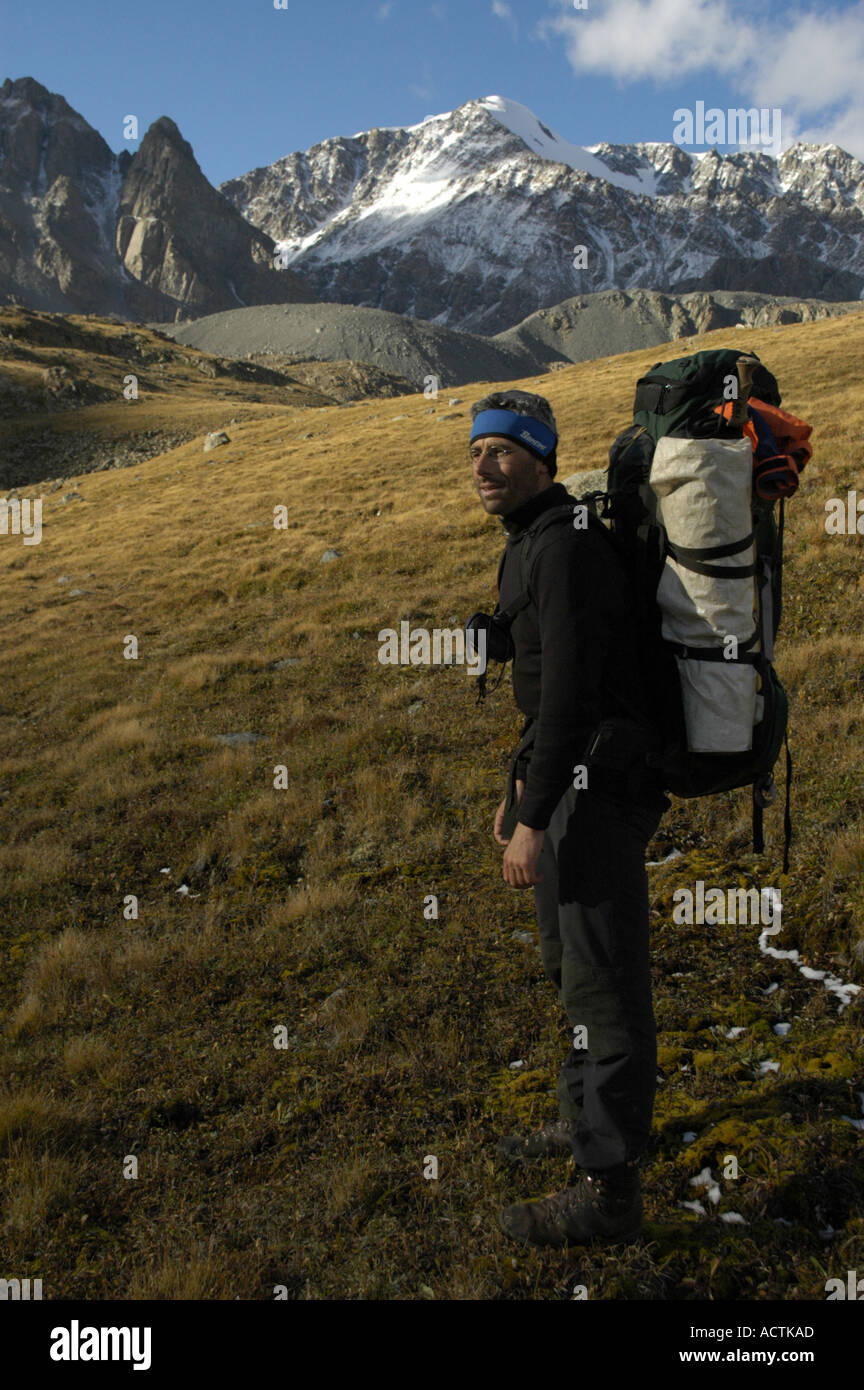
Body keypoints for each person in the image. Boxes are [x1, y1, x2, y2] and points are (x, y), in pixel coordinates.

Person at [469, 389, 670, 1248]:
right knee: (568, 965)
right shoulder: (532, 543)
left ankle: (609, 1194)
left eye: (503, 451)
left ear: (542, 459)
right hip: (565, 782)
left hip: (603, 782)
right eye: (476, 450)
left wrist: (533, 816)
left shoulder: (566, 552)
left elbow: (573, 701)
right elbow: (544, 682)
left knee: (604, 981)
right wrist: (518, 793)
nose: (482, 466)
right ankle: (582, 1118)